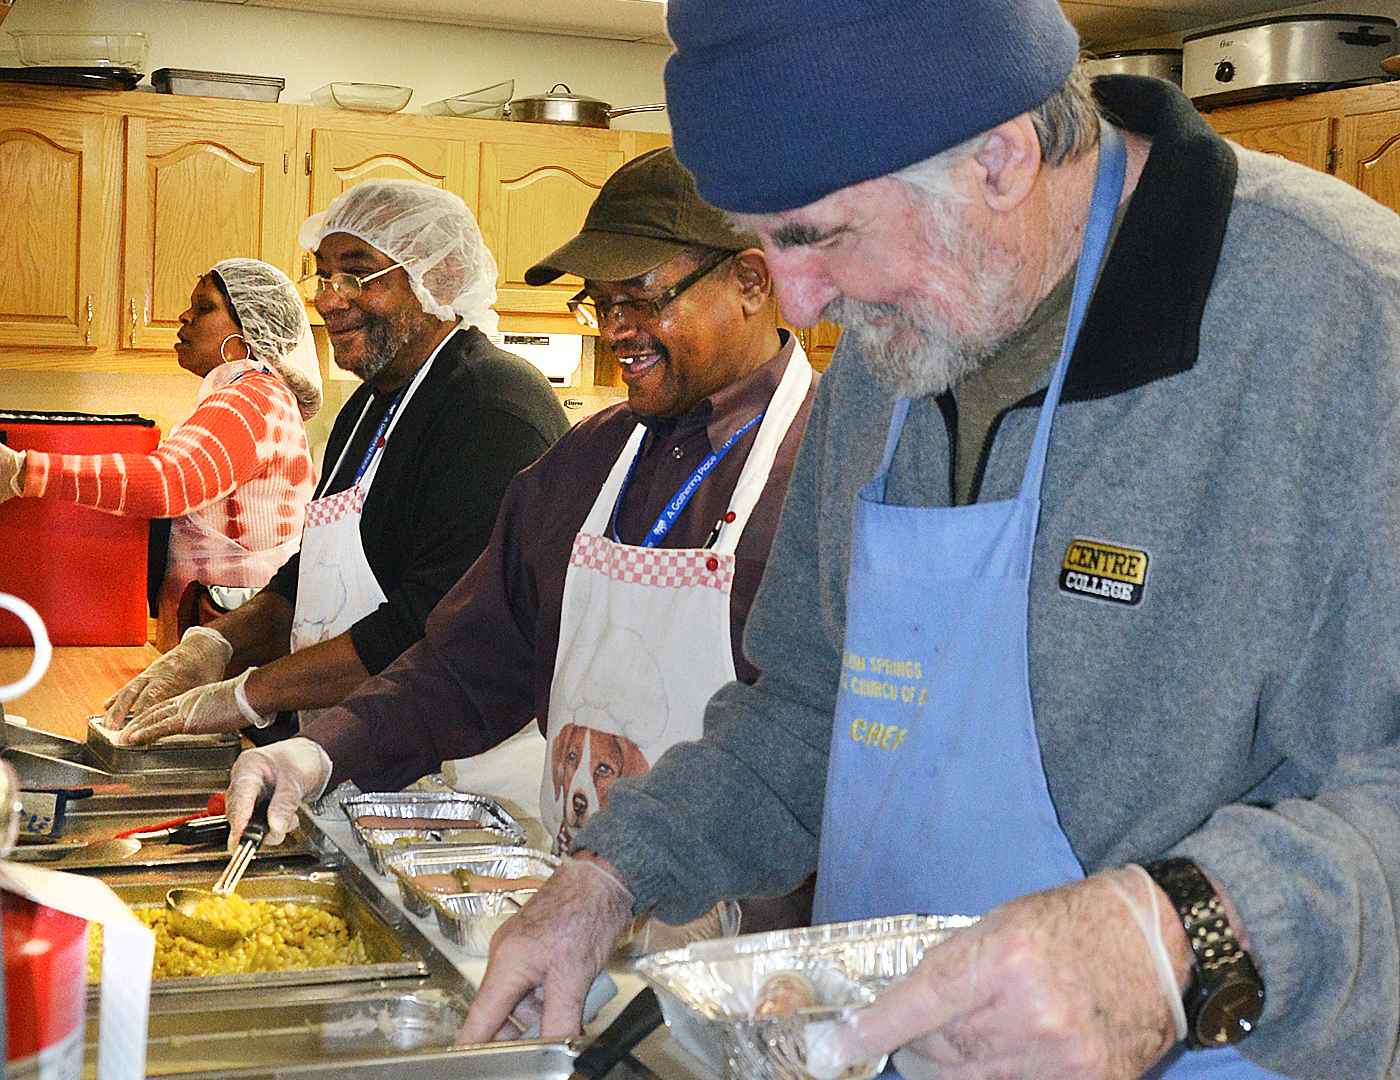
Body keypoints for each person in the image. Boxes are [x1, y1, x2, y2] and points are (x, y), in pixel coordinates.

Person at [455, 1, 1400, 1078]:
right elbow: (814, 704)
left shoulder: (1345, 322)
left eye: (817, 235)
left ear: (997, 159)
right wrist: (612, 875)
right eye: (764, 243)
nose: (800, 300)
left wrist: (1178, 931)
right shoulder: (895, 340)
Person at [224, 149, 818, 929]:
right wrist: (322, 751)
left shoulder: (832, 470)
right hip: (575, 912)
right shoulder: (581, 465)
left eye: (641, 299)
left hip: (754, 953)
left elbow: (851, 748)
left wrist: (740, 912)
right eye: (598, 303)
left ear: (750, 281)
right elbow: (467, 664)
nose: (616, 332)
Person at [101, 179, 570, 746]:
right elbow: (312, 574)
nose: (326, 298)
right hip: (359, 745)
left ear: (438, 278)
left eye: (356, 274)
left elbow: (431, 625)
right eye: (323, 275)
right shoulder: (373, 402)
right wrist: (215, 645)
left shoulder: (491, 407)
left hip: (456, 768)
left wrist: (249, 693)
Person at [0, 259, 321, 651]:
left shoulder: (250, 399)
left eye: (204, 308)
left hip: (231, 631)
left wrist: (23, 471)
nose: (184, 316)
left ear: (246, 335)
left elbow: (168, 482)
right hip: (235, 625)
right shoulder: (262, 395)